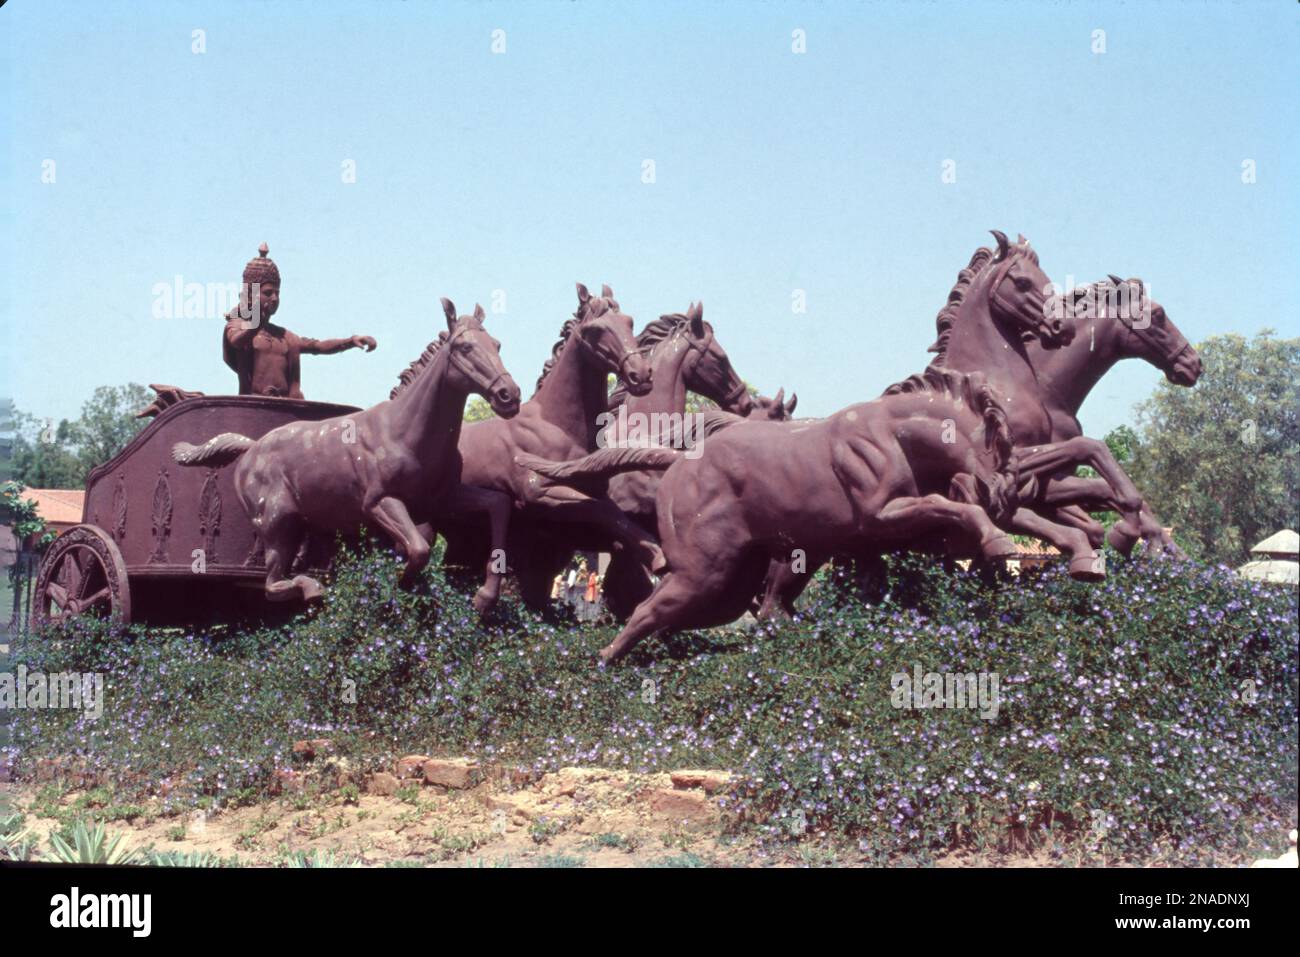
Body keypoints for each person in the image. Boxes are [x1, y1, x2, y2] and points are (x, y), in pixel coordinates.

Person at [222, 243, 378, 398]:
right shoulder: (237, 325)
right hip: (253, 407)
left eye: (277, 293)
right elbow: (236, 341)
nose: (275, 298)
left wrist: (351, 340)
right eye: (268, 293)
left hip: (287, 407)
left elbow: (318, 346)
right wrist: (256, 326)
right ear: (251, 295)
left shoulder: (285, 337)